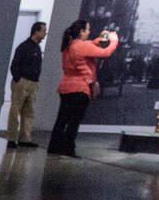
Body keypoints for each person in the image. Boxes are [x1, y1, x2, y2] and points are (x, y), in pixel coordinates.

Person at [47, 20, 119, 158]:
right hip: (80, 88)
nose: (89, 32)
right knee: (74, 121)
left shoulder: (70, 45)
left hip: (66, 86)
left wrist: (99, 39)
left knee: (62, 119)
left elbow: (89, 47)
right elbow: (106, 53)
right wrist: (114, 40)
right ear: (81, 32)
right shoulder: (81, 46)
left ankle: (54, 147)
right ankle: (68, 148)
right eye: (87, 30)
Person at [6, 21, 46, 148]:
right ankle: (11, 138)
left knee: (29, 111)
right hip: (23, 82)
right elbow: (14, 65)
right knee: (15, 110)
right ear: (36, 31)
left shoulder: (37, 48)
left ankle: (25, 139)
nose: (45, 33)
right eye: (43, 30)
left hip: (33, 83)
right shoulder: (24, 47)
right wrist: (18, 79)